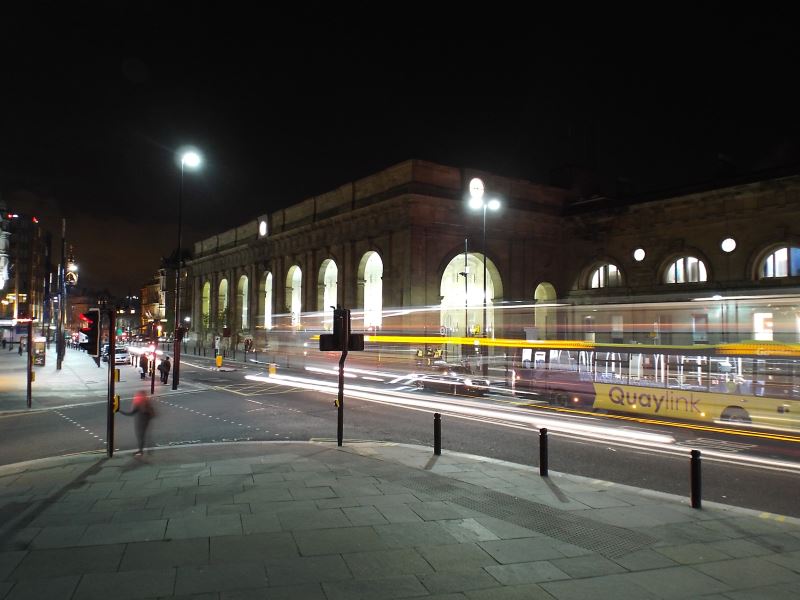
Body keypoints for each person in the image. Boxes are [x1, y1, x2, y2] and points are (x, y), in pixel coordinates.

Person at [119, 391, 156, 456]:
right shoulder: (146, 402)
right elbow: (151, 413)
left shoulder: (138, 403)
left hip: (140, 422)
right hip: (146, 422)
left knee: (140, 437)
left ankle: (140, 451)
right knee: (145, 436)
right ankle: (148, 451)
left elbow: (130, 413)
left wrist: (119, 411)